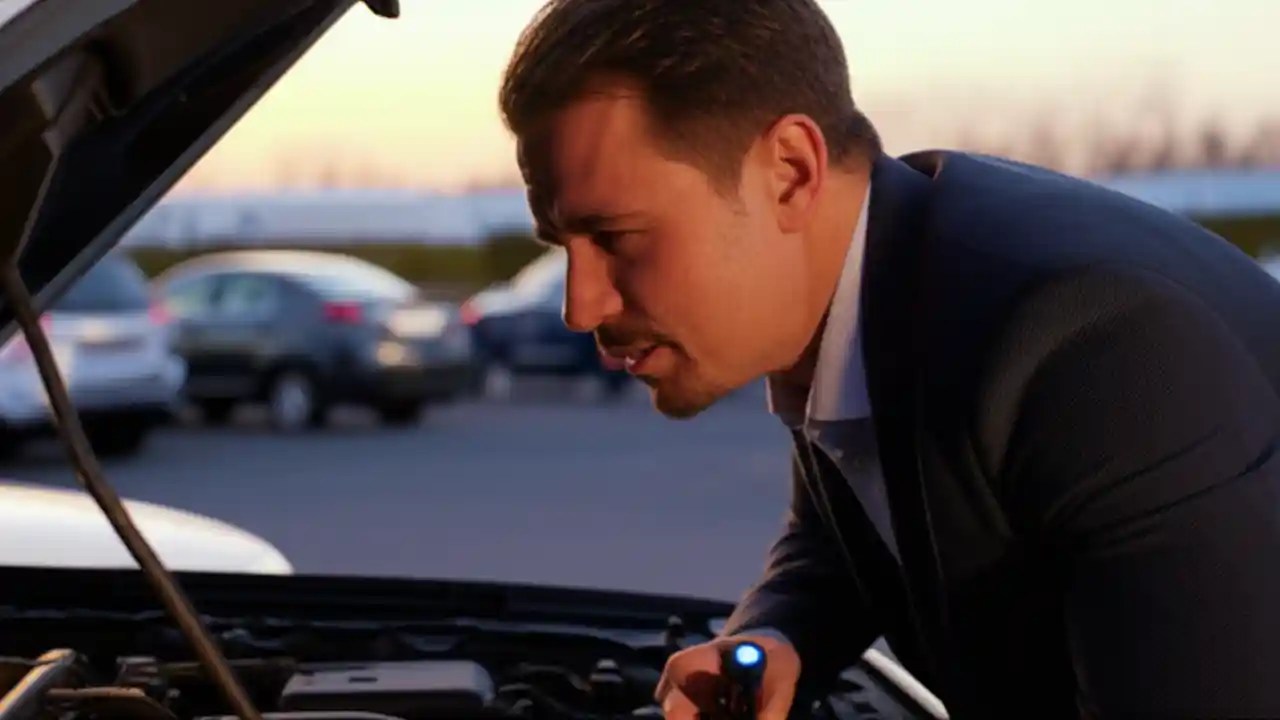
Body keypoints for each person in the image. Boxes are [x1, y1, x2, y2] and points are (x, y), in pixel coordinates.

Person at [496, 1, 1280, 717]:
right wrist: (774, 639)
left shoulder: (1089, 354)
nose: (580, 306)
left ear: (790, 171)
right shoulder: (864, 288)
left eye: (616, 237)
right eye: (561, 246)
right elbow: (848, 531)